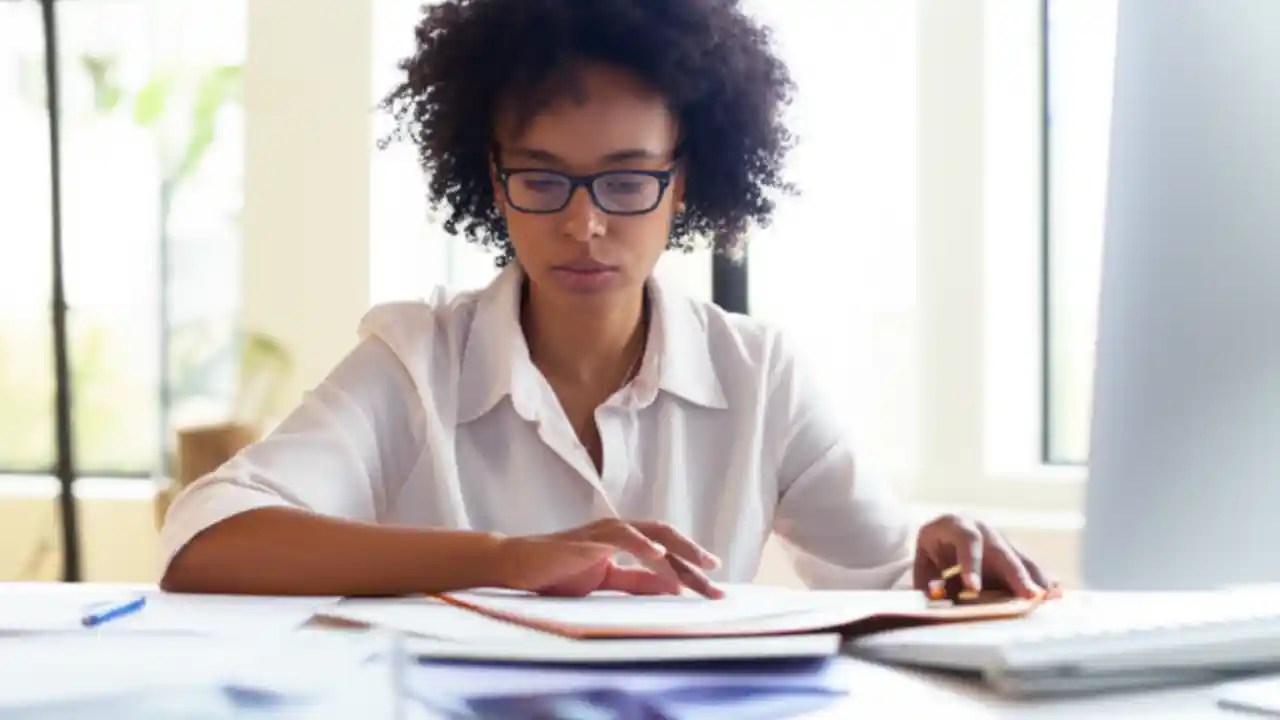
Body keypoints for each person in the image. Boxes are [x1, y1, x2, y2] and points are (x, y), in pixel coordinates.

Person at [160, 0, 1056, 600]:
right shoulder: (415, 362)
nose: (584, 226)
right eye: (543, 180)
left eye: (626, 181)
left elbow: (893, 580)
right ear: (493, 178)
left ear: (684, 180)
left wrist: (947, 559)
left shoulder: (760, 377)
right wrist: (508, 560)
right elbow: (205, 540)